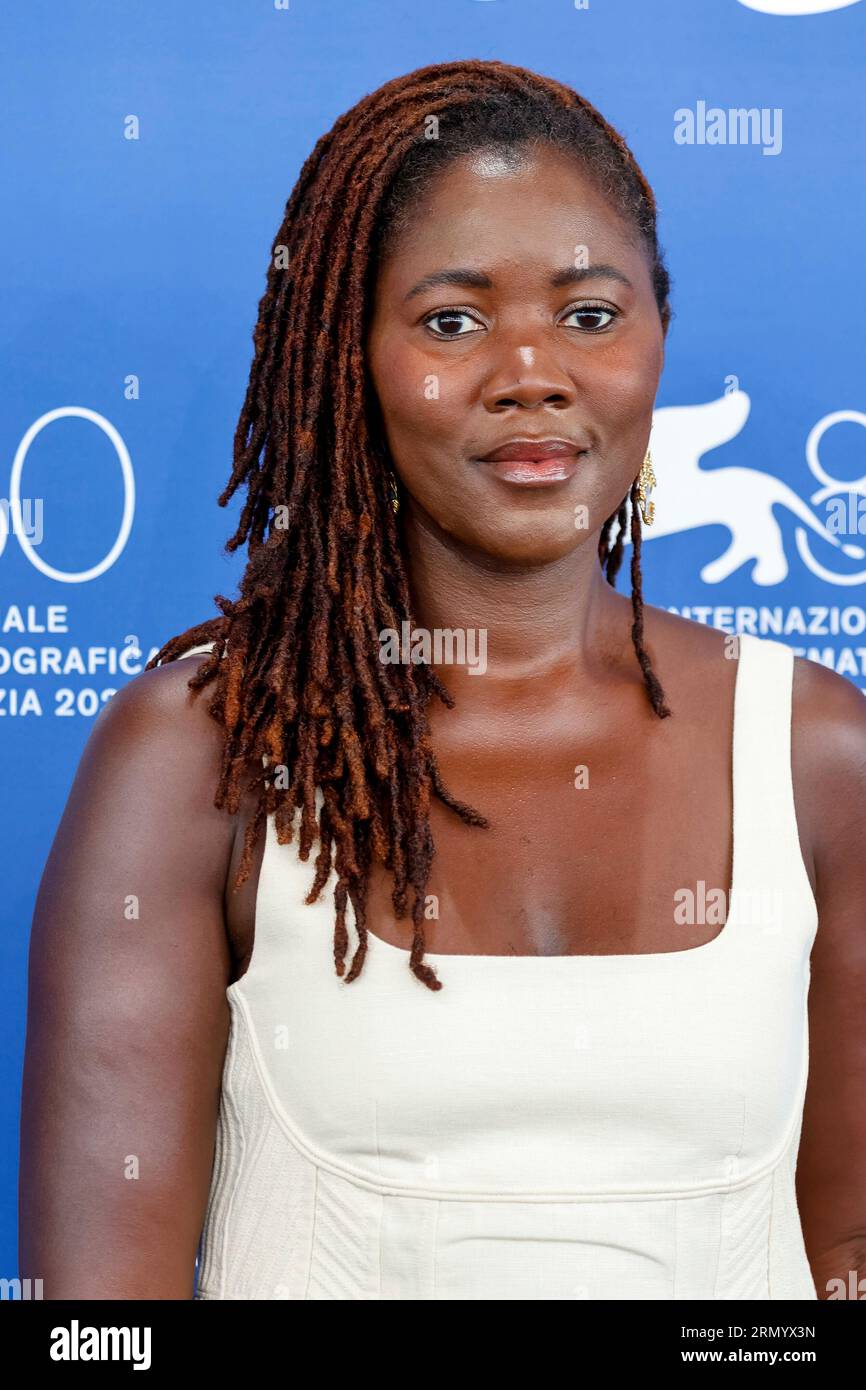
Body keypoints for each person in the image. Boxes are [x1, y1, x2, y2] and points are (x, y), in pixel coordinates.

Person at [19, 59, 866, 1301]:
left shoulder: (814, 751)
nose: (531, 370)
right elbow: (99, 1322)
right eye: (452, 320)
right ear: (341, 354)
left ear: (658, 338)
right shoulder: (199, 751)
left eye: (588, 313)